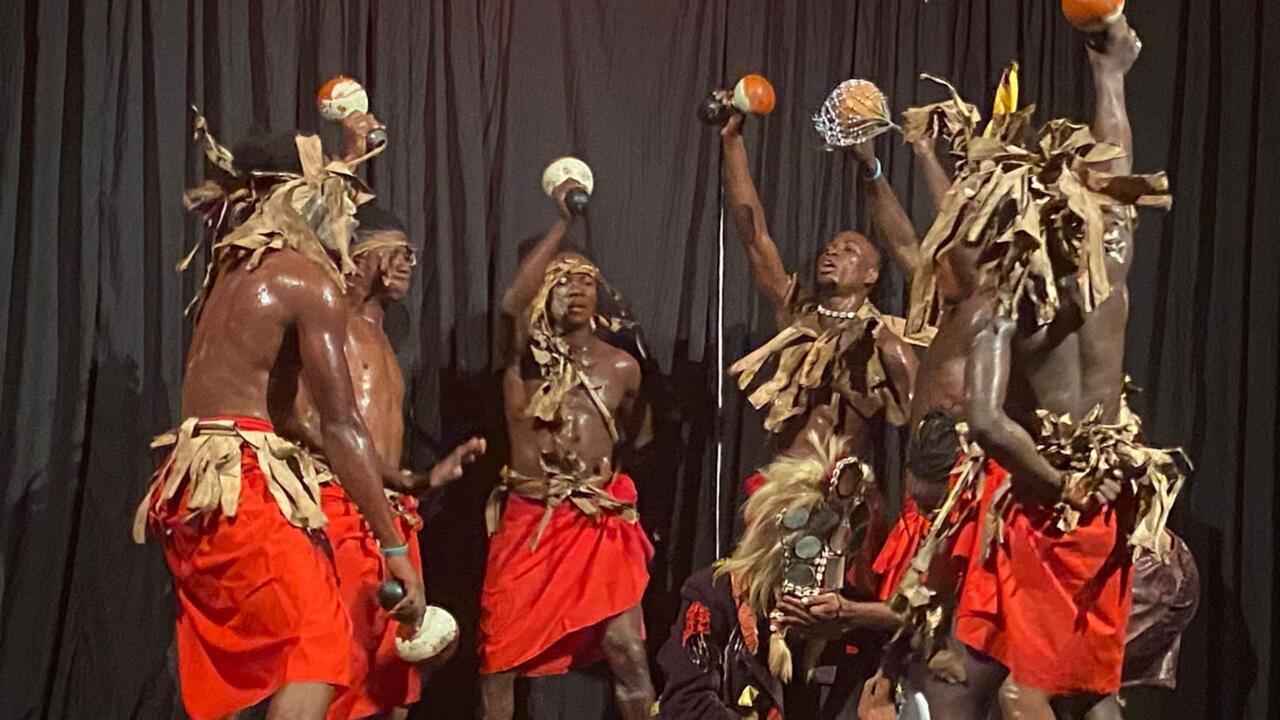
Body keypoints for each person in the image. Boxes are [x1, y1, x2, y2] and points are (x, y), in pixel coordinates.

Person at [900, 19, 1187, 720]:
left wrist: (1061, 483)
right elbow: (1118, 169)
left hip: (1052, 499)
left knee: (1023, 681)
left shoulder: (1009, 303)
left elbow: (988, 420)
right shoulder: (1107, 270)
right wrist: (1110, 77)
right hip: (1111, 494)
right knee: (1088, 683)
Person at [132, 115, 425, 720]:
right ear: (301, 198)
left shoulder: (230, 275)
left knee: (293, 652)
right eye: (329, 199)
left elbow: (293, 418)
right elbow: (343, 427)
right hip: (241, 477)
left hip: (195, 482)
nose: (342, 217)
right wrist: (393, 545)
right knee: (320, 647)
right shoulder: (304, 280)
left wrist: (350, 150)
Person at [283, 203, 485, 720]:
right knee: (336, 671)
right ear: (353, 255)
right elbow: (302, 420)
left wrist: (417, 478)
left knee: (393, 680)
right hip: (340, 511)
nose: (407, 264)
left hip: (388, 512)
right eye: (394, 252)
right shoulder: (329, 325)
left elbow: (366, 443)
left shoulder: (382, 342)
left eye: (411, 255)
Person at [477, 179, 655, 720]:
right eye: (562, 280)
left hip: (599, 519)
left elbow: (640, 440)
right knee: (499, 658)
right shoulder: (523, 360)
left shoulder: (622, 368)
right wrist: (564, 225)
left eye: (585, 280)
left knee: (627, 648)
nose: (576, 289)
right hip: (531, 519)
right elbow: (512, 305)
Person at [657, 440, 901, 720]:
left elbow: (924, 626)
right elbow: (686, 704)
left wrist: (852, 616)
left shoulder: (845, 614)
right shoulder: (715, 595)